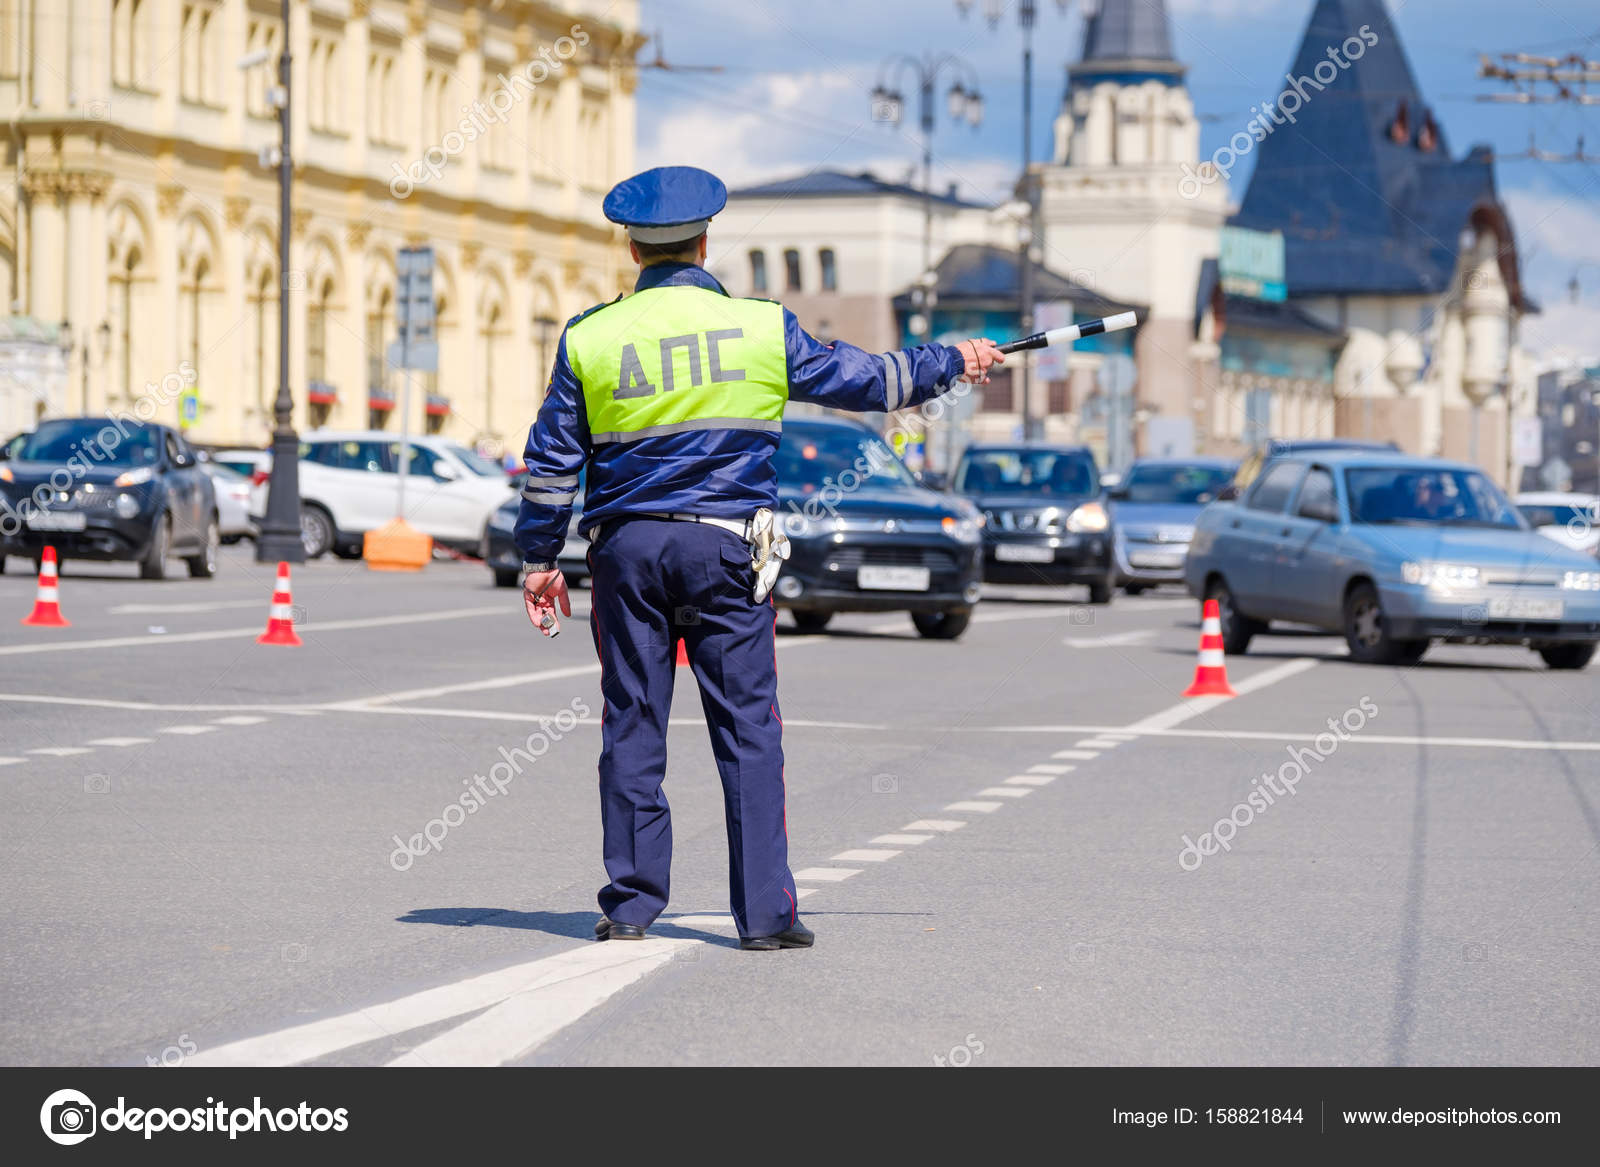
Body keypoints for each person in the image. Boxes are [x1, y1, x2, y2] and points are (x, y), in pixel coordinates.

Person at [514, 165, 1003, 951]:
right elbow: (870, 382)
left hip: (627, 552)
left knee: (633, 721)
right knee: (748, 726)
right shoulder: (760, 326)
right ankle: (766, 917)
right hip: (729, 548)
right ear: (706, 242)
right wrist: (955, 360)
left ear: (633, 248)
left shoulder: (589, 336)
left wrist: (538, 560)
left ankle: (632, 904)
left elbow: (549, 463)